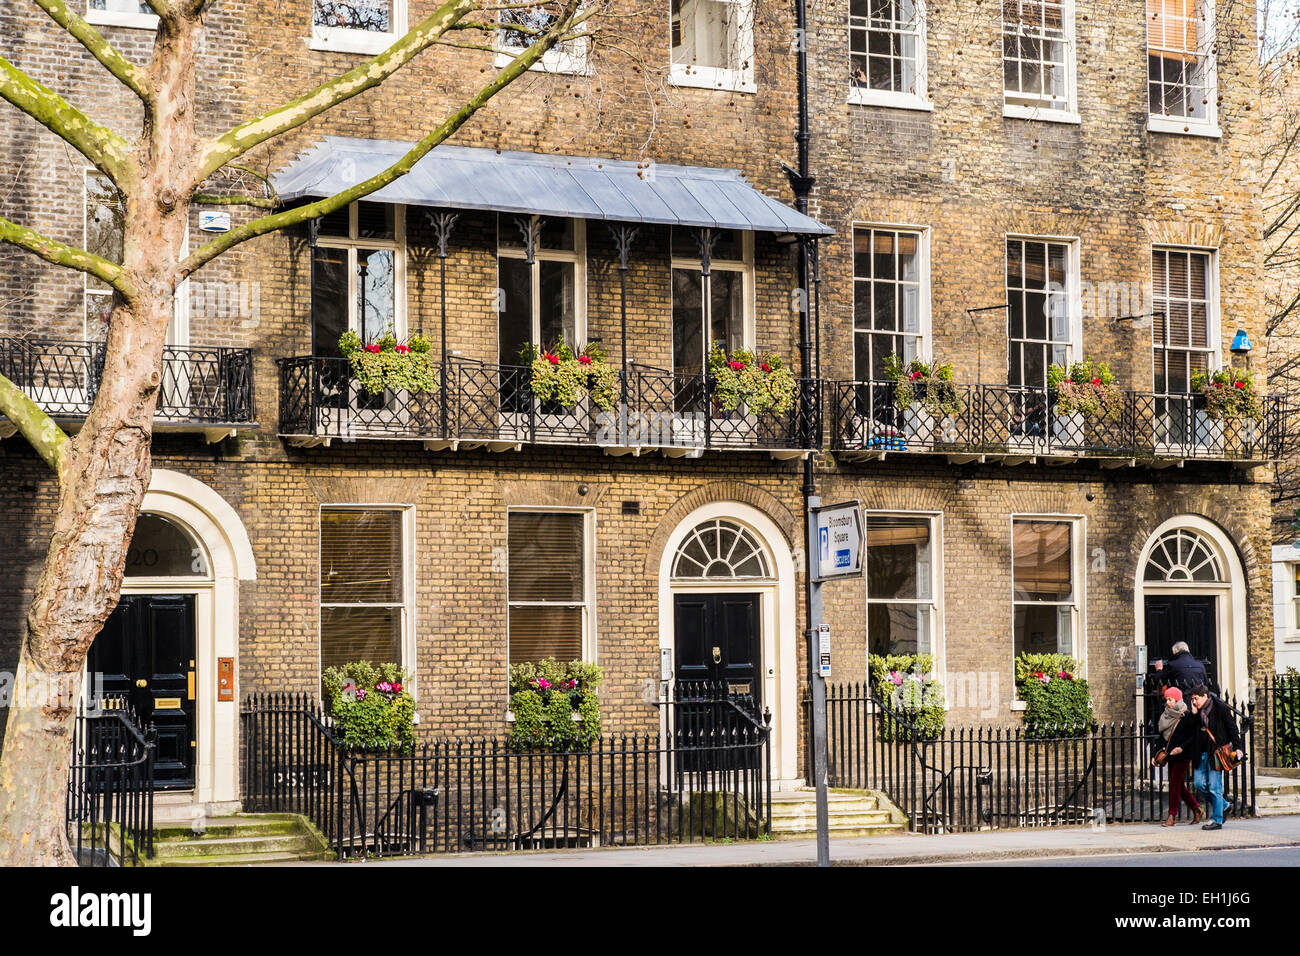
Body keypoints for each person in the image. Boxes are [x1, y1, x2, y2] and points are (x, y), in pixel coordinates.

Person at [1188, 684, 1244, 831]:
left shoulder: (1220, 708)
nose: (1194, 702)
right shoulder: (1196, 712)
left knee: (1214, 787)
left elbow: (1232, 728)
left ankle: (1217, 820)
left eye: (1196, 698)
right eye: (1192, 699)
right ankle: (1225, 805)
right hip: (1200, 754)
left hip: (1215, 754)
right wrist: (1193, 715)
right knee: (1199, 785)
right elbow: (1191, 732)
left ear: (1205, 696)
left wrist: (1238, 748)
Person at [1152, 686, 1202, 827]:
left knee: (1174, 783)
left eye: (1170, 699)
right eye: (1167, 699)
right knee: (1178, 785)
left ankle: (1172, 816)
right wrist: (1155, 755)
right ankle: (1196, 809)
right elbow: (1162, 738)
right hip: (1170, 755)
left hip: (1183, 754)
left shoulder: (1186, 715)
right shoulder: (1165, 715)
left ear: (1177, 699)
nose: (1168, 702)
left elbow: (1192, 736)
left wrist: (1181, 748)